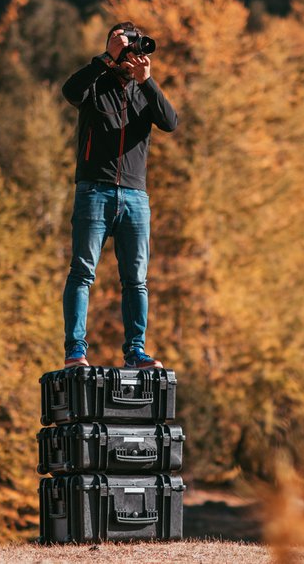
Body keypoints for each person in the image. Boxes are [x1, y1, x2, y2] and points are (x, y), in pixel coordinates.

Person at [60, 21, 178, 369]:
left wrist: (147, 81)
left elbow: (171, 122)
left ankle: (136, 351)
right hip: (94, 189)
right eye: (128, 48)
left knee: (137, 280)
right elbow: (71, 92)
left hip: (135, 197)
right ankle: (75, 352)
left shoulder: (145, 91)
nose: (134, 55)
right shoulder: (95, 84)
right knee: (82, 272)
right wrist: (105, 60)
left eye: (137, 49)